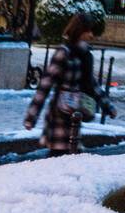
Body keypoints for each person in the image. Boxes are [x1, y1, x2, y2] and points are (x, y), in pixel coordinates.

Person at [24, 12, 114, 156]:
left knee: (71, 156)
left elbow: (91, 83)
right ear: (79, 31)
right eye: (88, 30)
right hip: (60, 115)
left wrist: (108, 106)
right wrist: (31, 117)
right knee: (58, 156)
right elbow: (45, 86)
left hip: (76, 115)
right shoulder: (63, 53)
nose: (91, 35)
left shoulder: (85, 55)